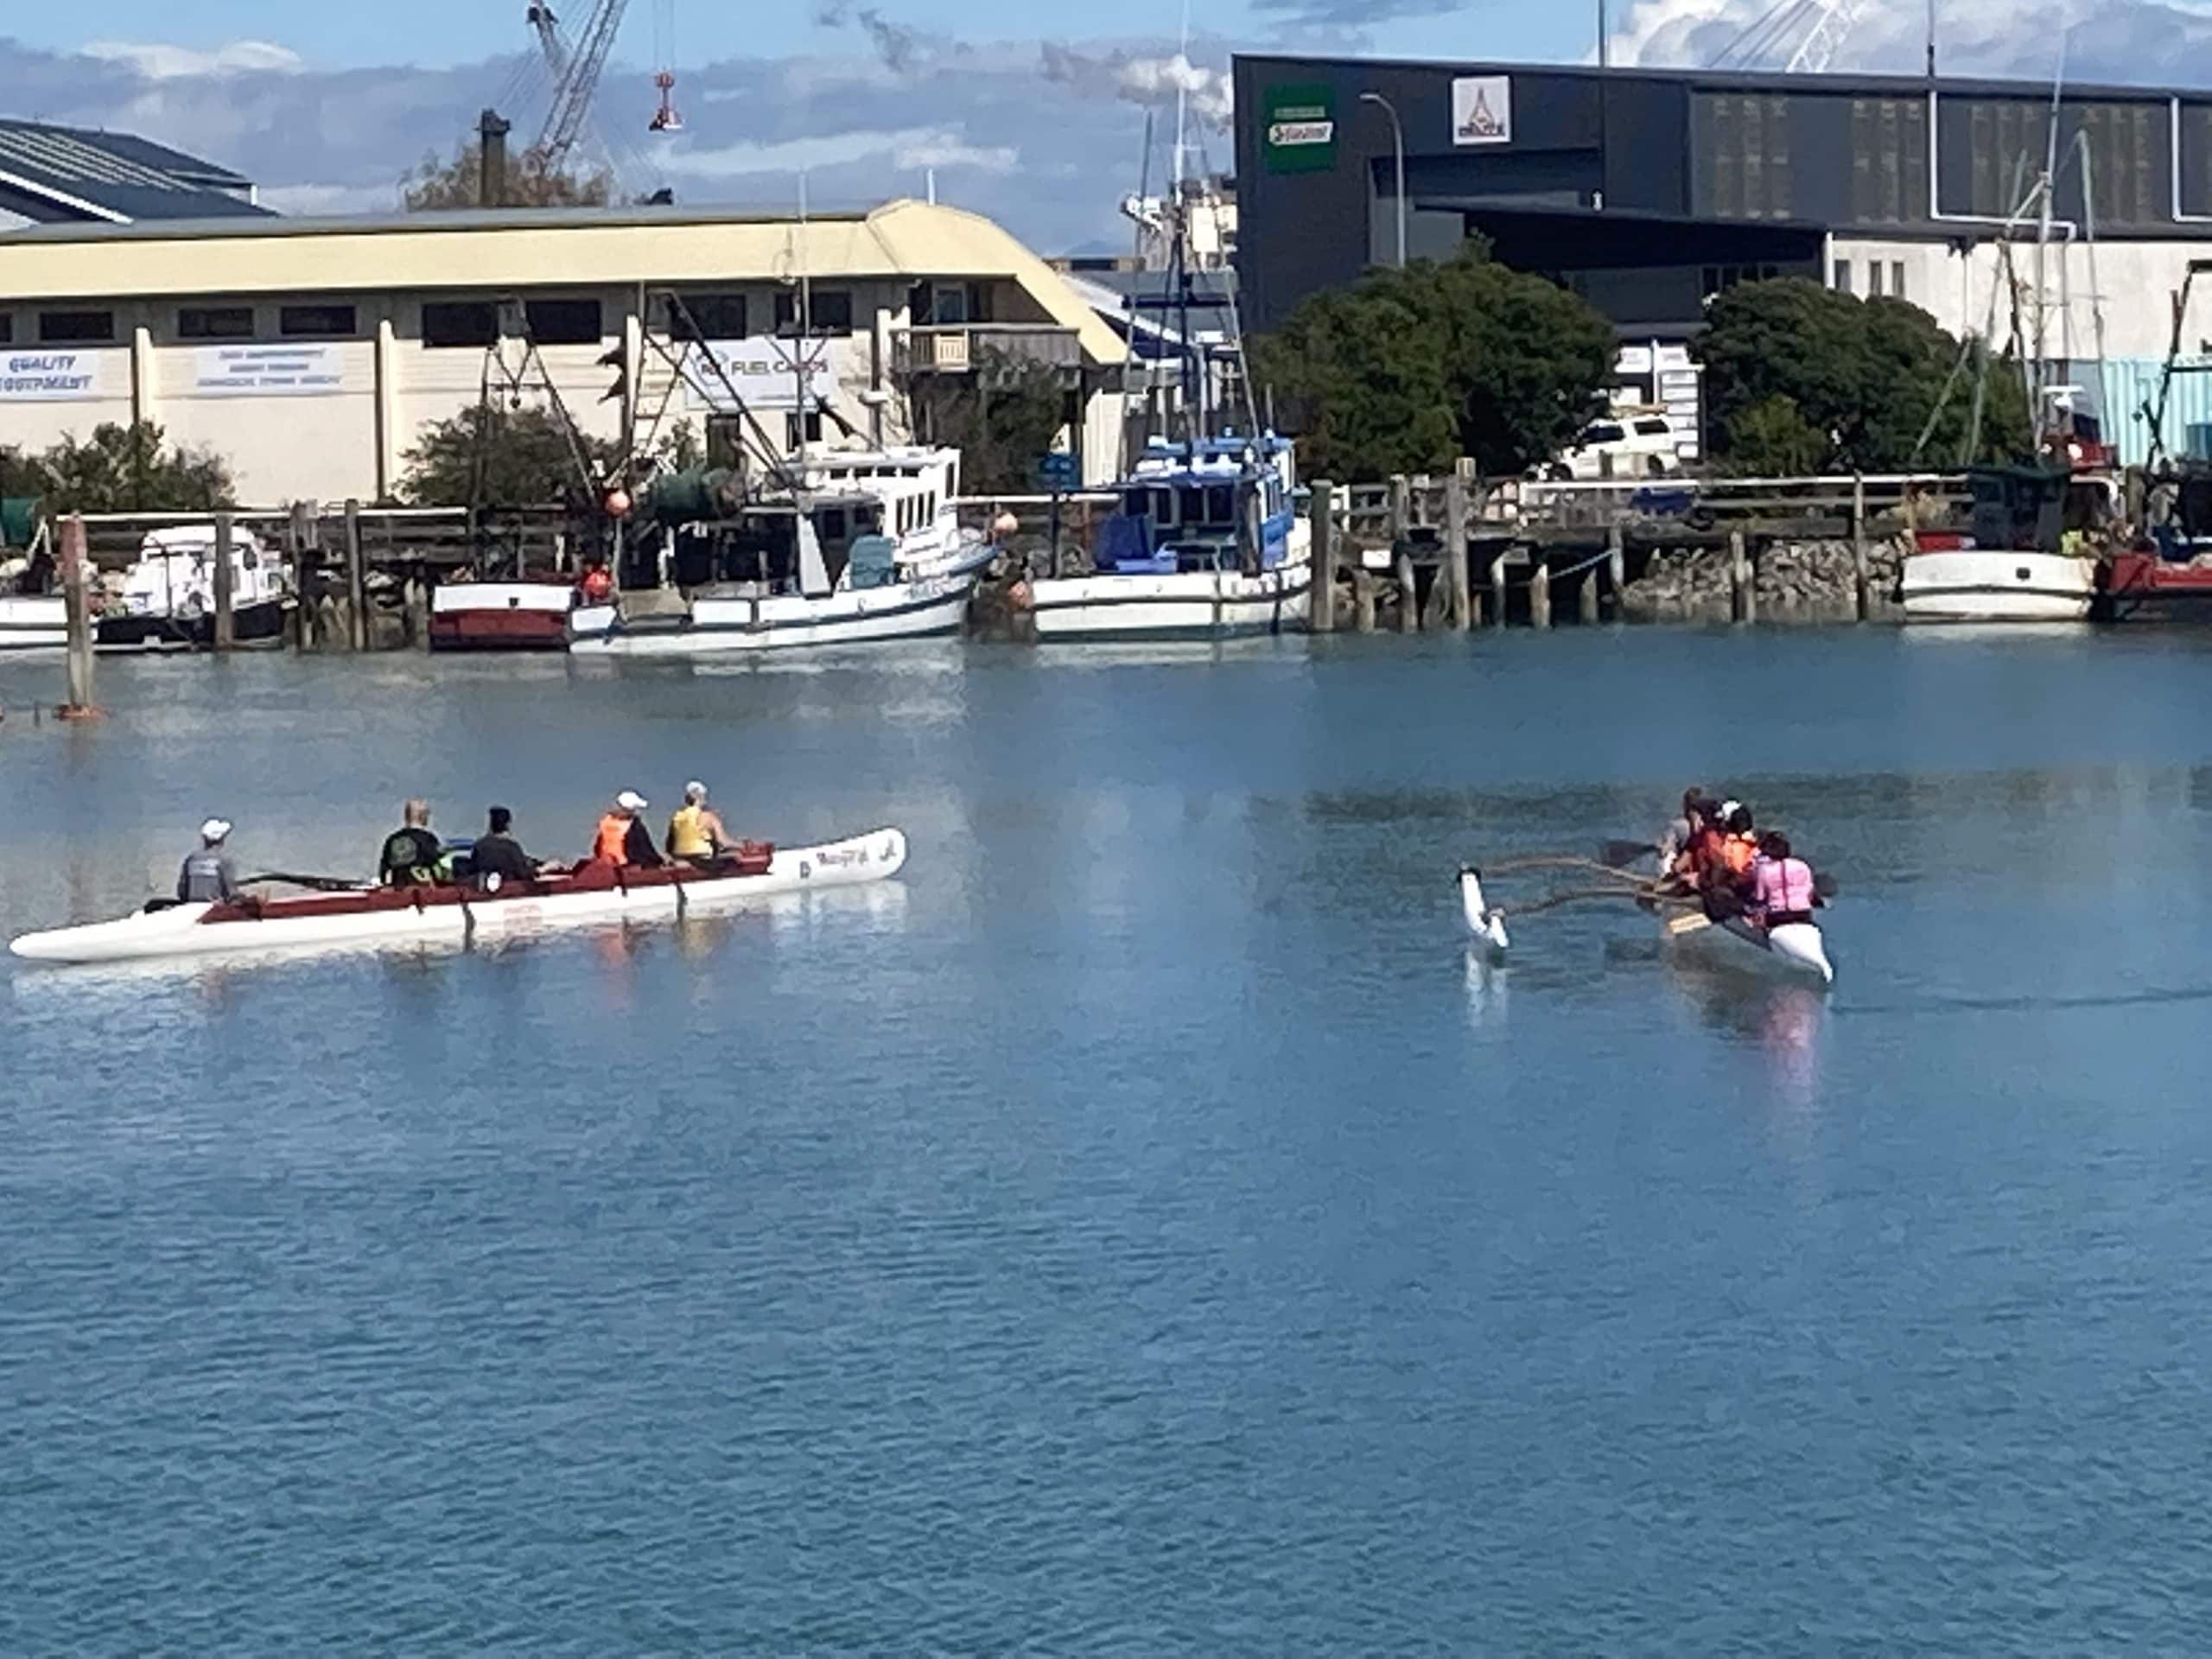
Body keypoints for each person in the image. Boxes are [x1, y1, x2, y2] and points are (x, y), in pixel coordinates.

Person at [1749, 831, 1822, 929]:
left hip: (1777, 916)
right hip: (1803, 913)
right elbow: (1810, 893)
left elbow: (1760, 898)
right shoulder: (1803, 866)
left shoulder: (1764, 870)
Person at [378, 799, 444, 888]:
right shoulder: (429, 840)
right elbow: (439, 870)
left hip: (397, 894)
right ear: (422, 816)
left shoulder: (392, 840)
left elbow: (384, 873)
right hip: (422, 894)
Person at [592, 790, 664, 868]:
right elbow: (645, 849)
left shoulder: (606, 821)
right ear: (632, 809)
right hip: (626, 865)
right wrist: (660, 861)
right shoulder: (634, 825)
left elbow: (597, 846)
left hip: (606, 864)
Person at [664, 780, 732, 865]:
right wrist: (743, 846)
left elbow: (669, 846)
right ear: (701, 798)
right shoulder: (708, 816)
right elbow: (723, 842)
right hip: (703, 860)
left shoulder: (677, 818)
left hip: (680, 859)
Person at [470, 805, 539, 887]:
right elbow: (523, 873)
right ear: (507, 825)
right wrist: (543, 869)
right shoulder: (511, 847)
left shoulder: (479, 846)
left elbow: (473, 868)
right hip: (509, 891)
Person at [177, 817, 238, 903]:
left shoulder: (191, 859)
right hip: (214, 908)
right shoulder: (224, 860)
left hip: (192, 905)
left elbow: (182, 890)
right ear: (222, 839)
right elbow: (231, 892)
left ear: (204, 838)